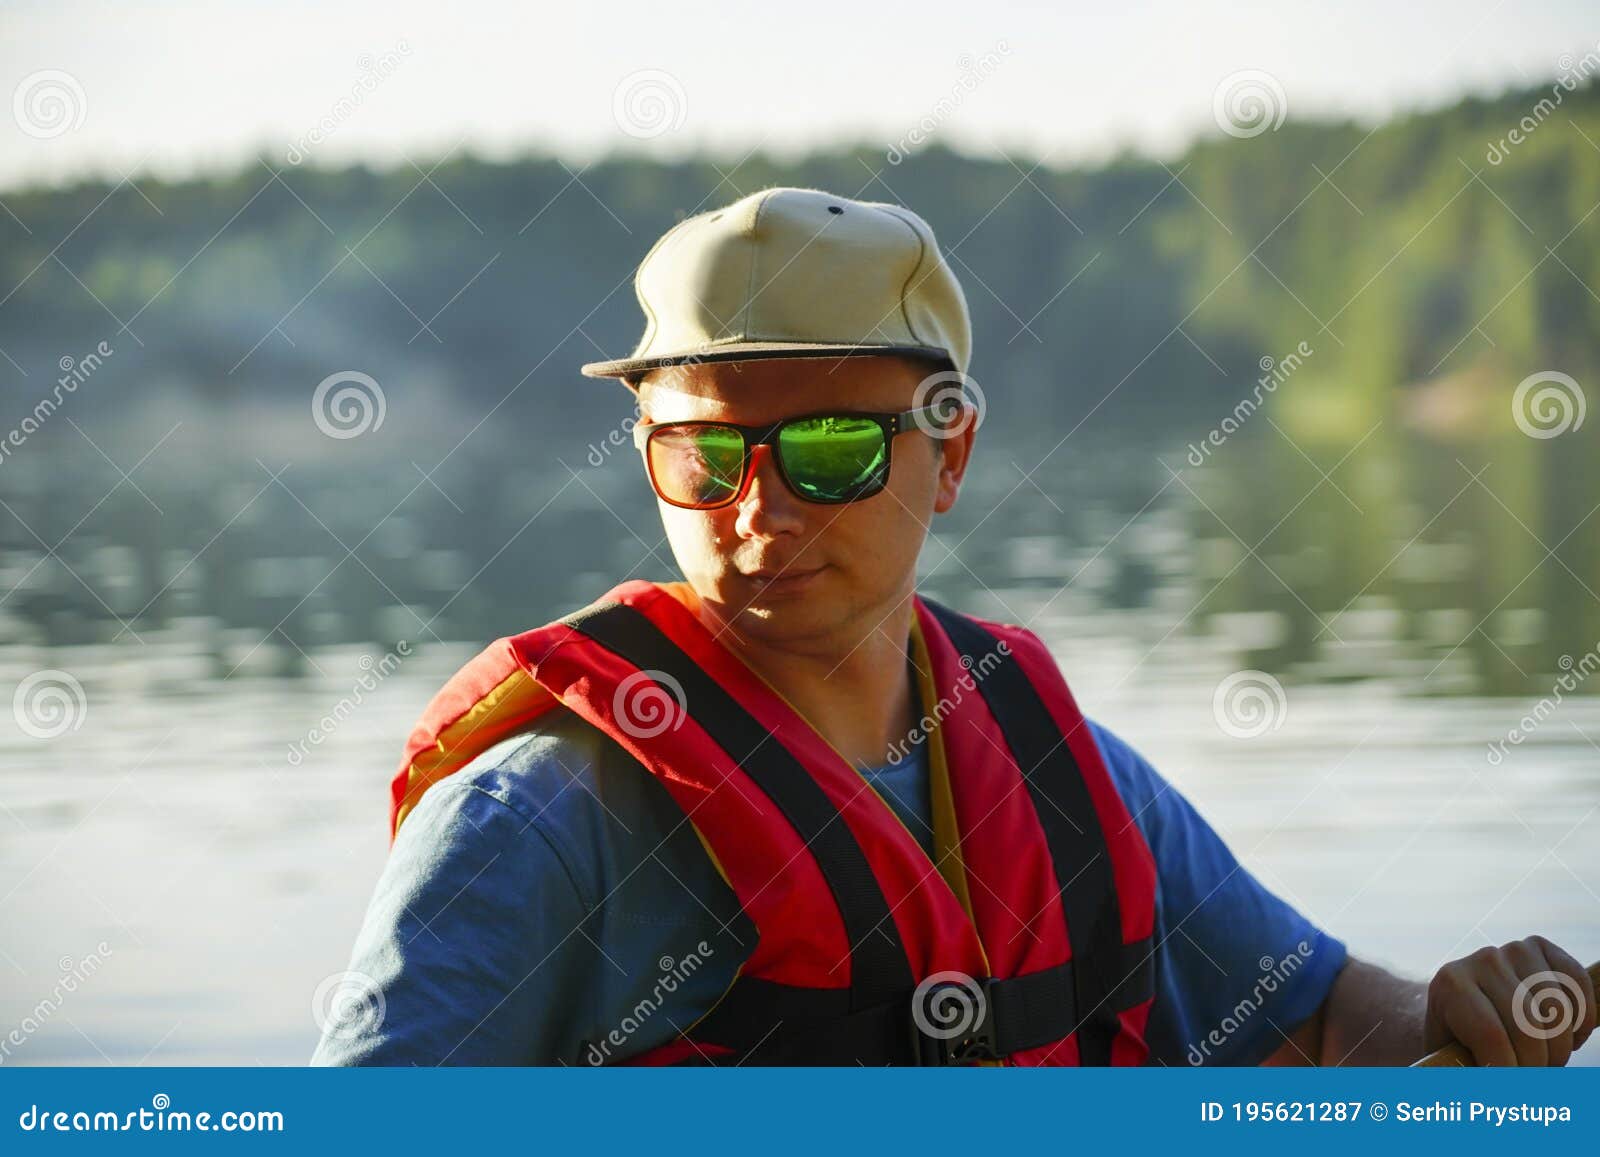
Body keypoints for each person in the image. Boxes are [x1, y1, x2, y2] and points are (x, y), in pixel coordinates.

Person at [313, 186, 1595, 1067]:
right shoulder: (525, 827)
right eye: (701, 455)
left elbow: (1315, 1023)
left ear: (952, 449)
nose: (756, 512)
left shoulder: (1061, 772)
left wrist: (1454, 1013)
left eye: (828, 448)